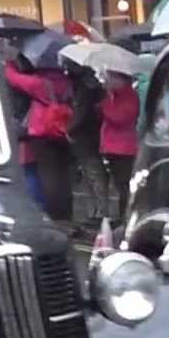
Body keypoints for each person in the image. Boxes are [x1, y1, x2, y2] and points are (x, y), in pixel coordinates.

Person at [4, 55, 73, 220]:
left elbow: (13, 78)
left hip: (43, 130)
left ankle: (54, 214)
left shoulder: (40, 82)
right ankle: (66, 213)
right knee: (64, 173)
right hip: (64, 129)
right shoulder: (66, 81)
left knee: (48, 174)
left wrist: (9, 63)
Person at [63, 58, 107, 225]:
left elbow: (81, 111)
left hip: (83, 135)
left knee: (92, 172)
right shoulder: (92, 83)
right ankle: (98, 210)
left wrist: (70, 130)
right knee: (94, 171)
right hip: (92, 132)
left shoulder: (83, 86)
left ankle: (97, 211)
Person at [98, 70, 140, 221]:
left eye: (110, 77)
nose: (106, 81)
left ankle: (125, 216)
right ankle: (123, 215)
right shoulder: (115, 95)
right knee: (120, 184)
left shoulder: (128, 96)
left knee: (124, 185)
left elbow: (121, 118)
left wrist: (104, 106)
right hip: (113, 146)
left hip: (123, 148)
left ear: (120, 79)